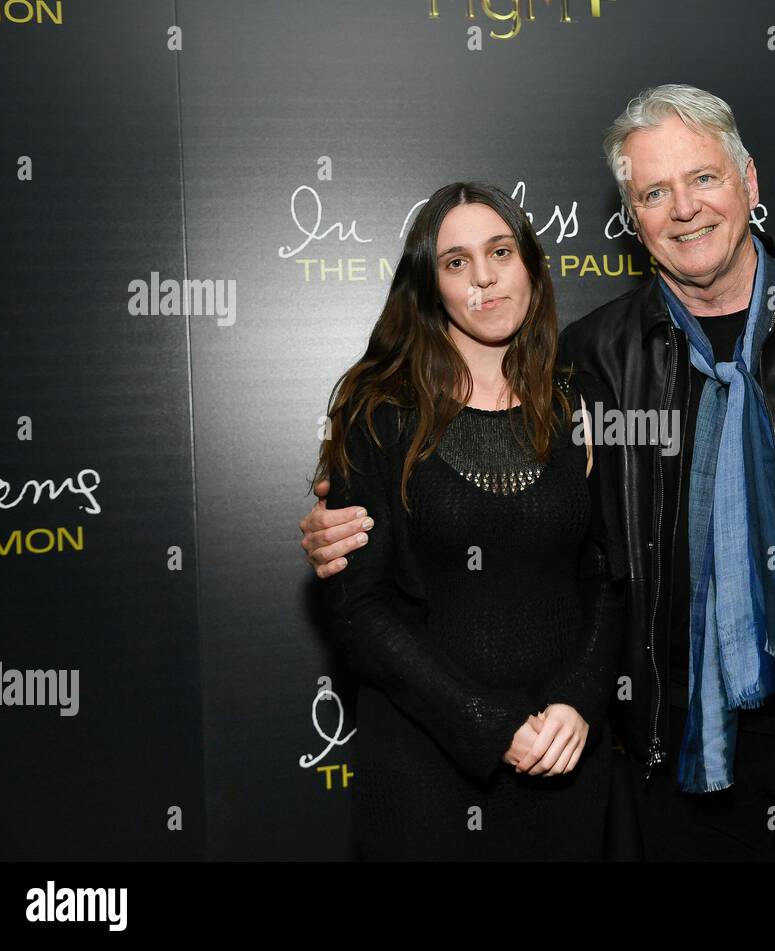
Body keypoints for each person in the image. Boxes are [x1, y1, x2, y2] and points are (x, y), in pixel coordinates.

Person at [303, 85, 775, 861]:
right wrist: (337, 521)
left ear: (749, 184)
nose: (684, 208)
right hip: (681, 751)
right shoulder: (593, 361)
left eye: (704, 179)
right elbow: (566, 539)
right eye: (655, 192)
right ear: (633, 217)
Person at [310, 180, 628, 860]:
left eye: (501, 251)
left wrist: (577, 703)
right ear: (429, 286)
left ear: (531, 267)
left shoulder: (580, 398)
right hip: (424, 768)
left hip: (564, 757)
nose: (484, 277)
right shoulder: (378, 411)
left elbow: (606, 573)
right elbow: (360, 610)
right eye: (456, 262)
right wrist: (489, 725)